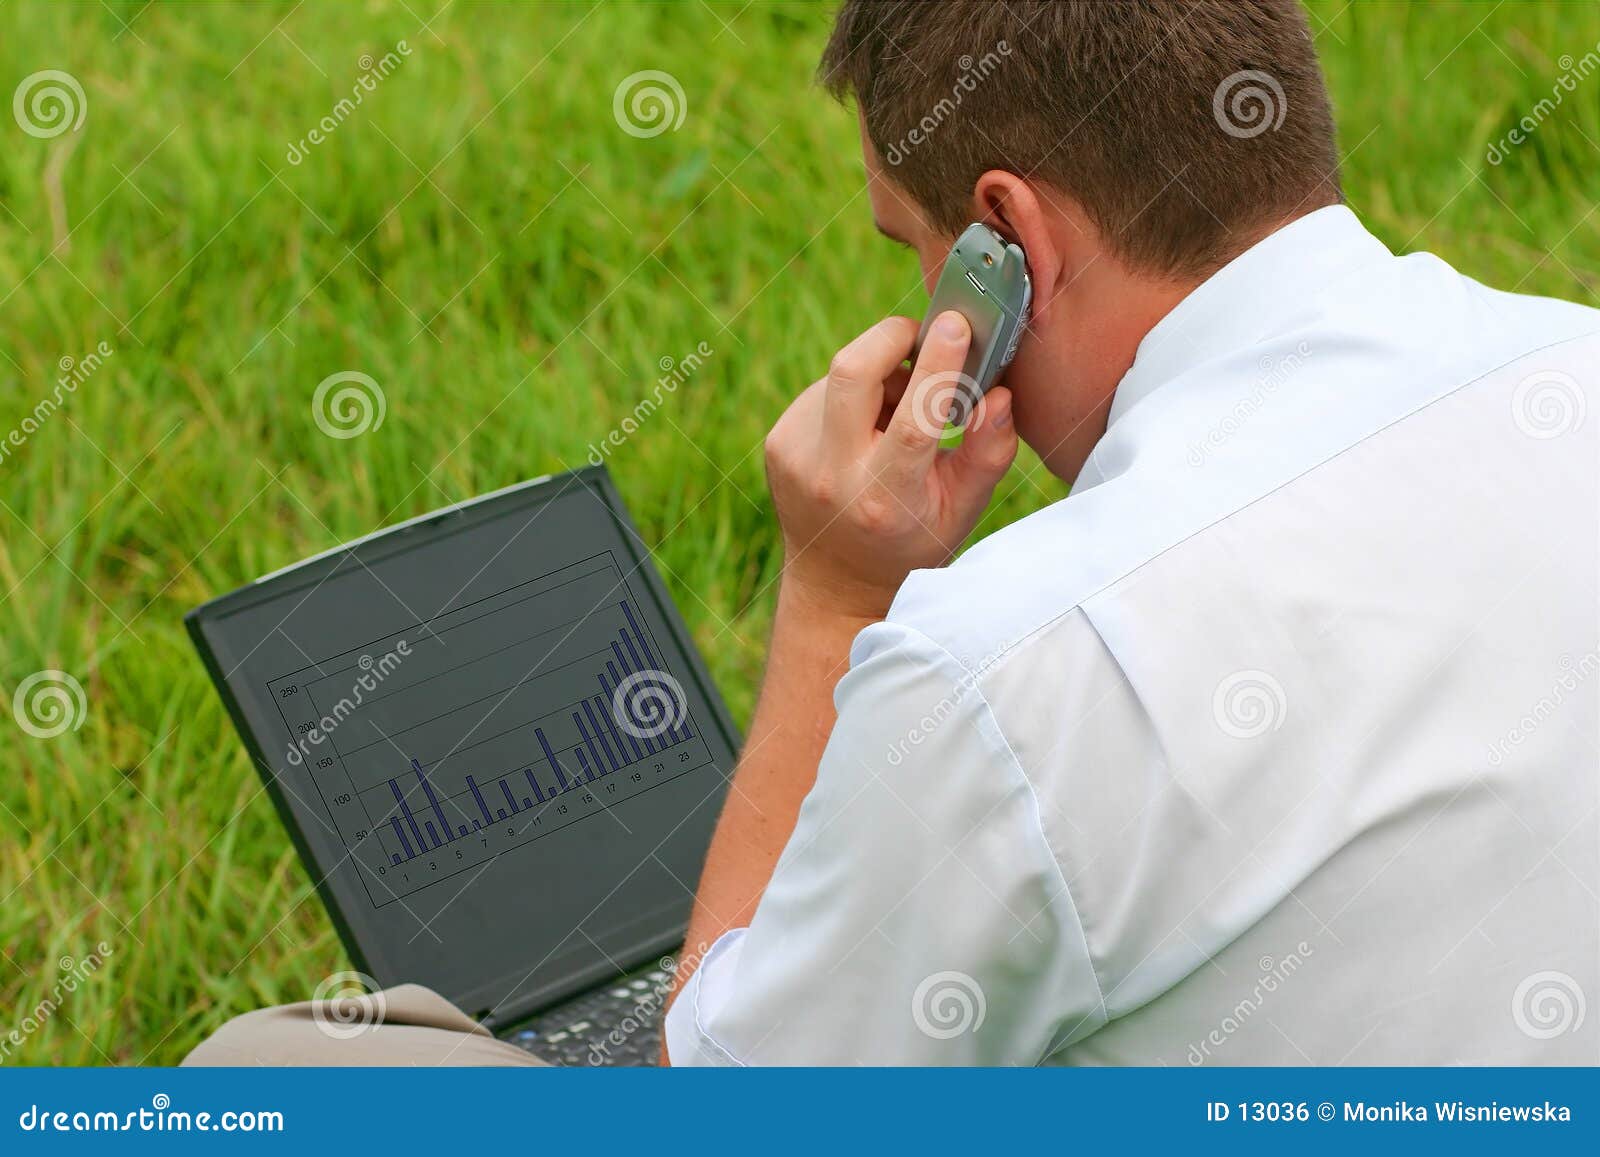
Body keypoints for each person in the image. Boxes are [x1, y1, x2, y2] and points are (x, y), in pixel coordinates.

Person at [188, 0, 1598, 1067]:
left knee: (275, 1067)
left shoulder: (1011, 663)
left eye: (908, 248)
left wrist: (836, 592)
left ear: (1007, 247)